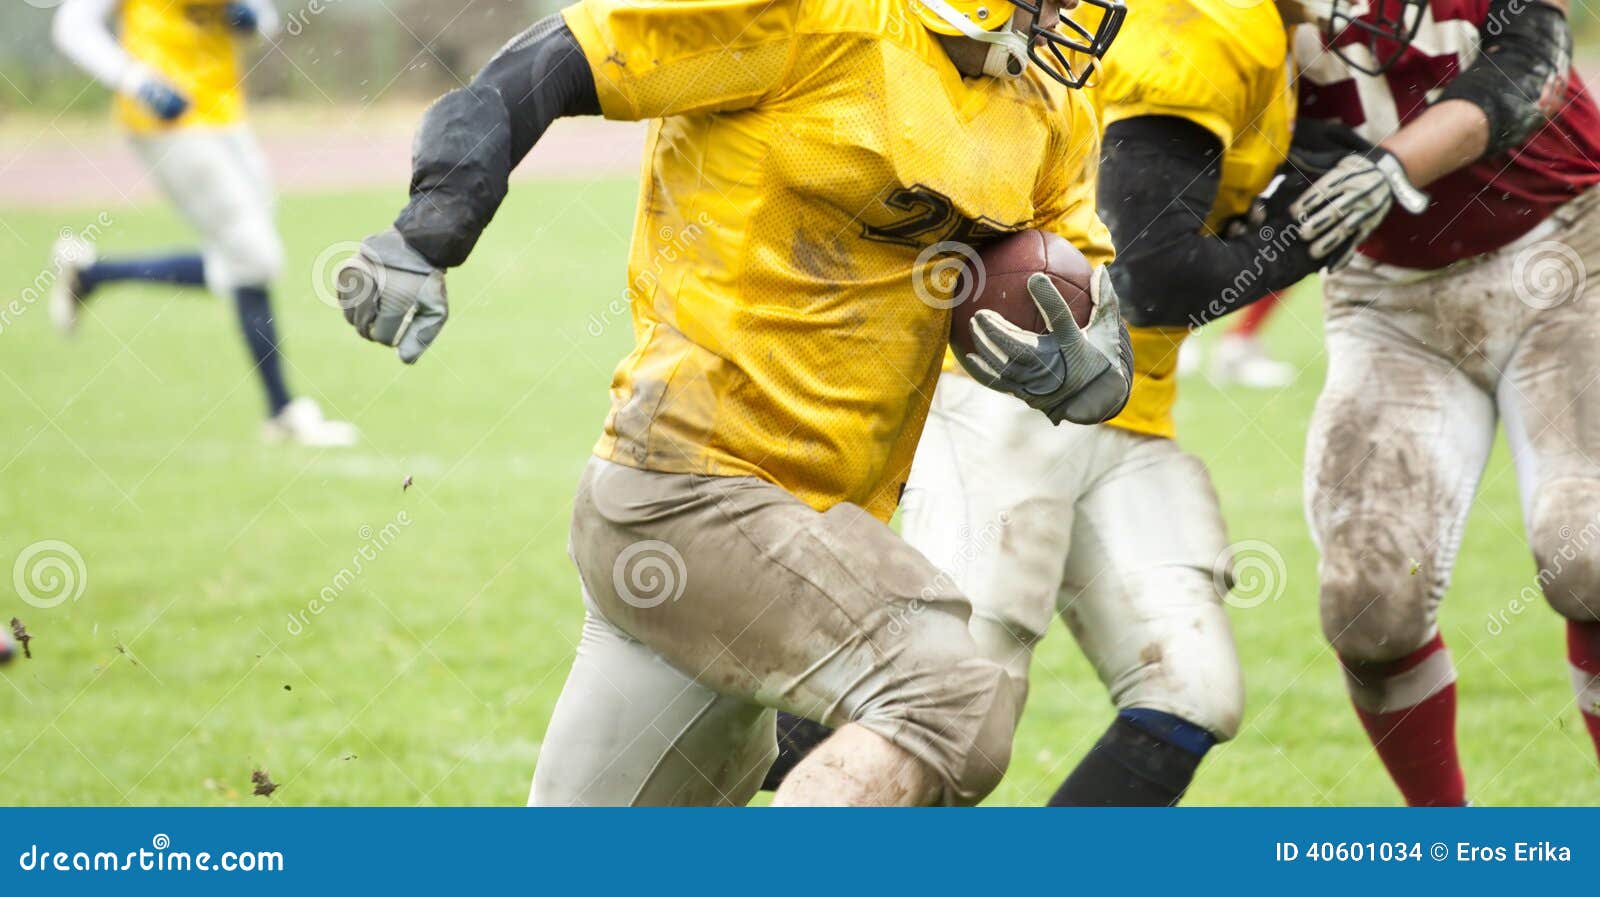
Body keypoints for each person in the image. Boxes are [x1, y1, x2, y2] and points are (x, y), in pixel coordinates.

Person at [334, 0, 1132, 806]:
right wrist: (428, 231)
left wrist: (1094, 371)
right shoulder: (812, 21)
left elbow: (1085, 293)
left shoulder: (1043, 105)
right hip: (687, 486)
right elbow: (545, 67)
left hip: (797, 541)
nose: (1069, 9)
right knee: (951, 698)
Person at [765, 0, 1331, 804]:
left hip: (1132, 412)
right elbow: (1149, 276)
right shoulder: (1210, 23)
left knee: (1192, 693)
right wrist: (1304, 237)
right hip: (1022, 392)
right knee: (953, 700)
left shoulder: (1277, 37)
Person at [1282, 0, 1600, 803]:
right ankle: (1446, 850)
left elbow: (1530, 57)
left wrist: (1392, 165)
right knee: (1369, 604)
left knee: (1590, 550)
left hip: (1570, 244)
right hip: (1390, 297)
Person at [48, 0, 356, 446]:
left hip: (226, 114)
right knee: (253, 257)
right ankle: (283, 411)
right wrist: (135, 81)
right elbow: (71, 25)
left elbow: (262, 19)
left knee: (244, 259)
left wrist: (250, 21)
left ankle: (92, 274)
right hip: (167, 120)